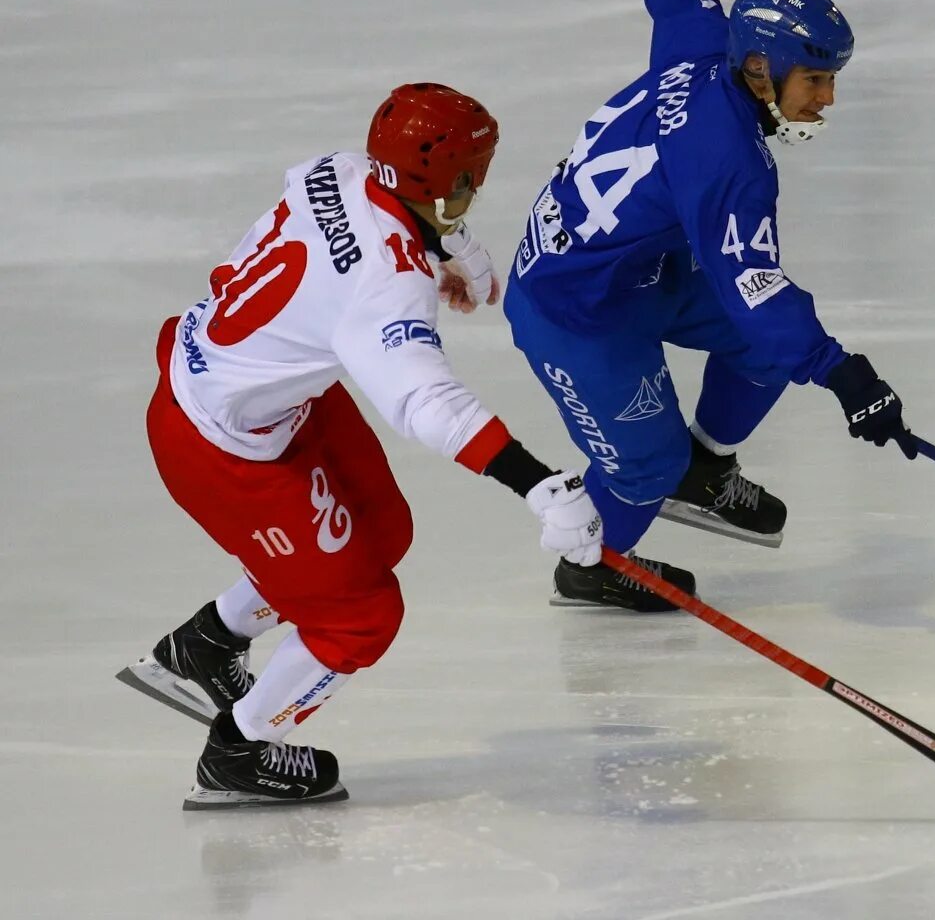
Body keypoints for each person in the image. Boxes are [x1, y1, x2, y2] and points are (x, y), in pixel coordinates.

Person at [118, 83, 604, 809]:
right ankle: (239, 750)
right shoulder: (387, 283)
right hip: (217, 446)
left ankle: (209, 641)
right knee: (362, 615)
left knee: (381, 530)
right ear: (452, 180)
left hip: (259, 393)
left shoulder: (341, 167)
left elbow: (368, 231)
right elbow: (422, 400)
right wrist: (540, 486)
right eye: (477, 173)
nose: (482, 185)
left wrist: (451, 247)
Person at [504, 0, 915, 613]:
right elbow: (754, 292)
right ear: (759, 68)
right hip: (573, 310)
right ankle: (589, 568)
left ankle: (703, 470)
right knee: (645, 471)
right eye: (814, 78)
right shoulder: (731, 164)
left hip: (635, 272)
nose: (828, 97)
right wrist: (846, 378)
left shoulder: (703, 52)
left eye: (832, 77)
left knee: (767, 350)